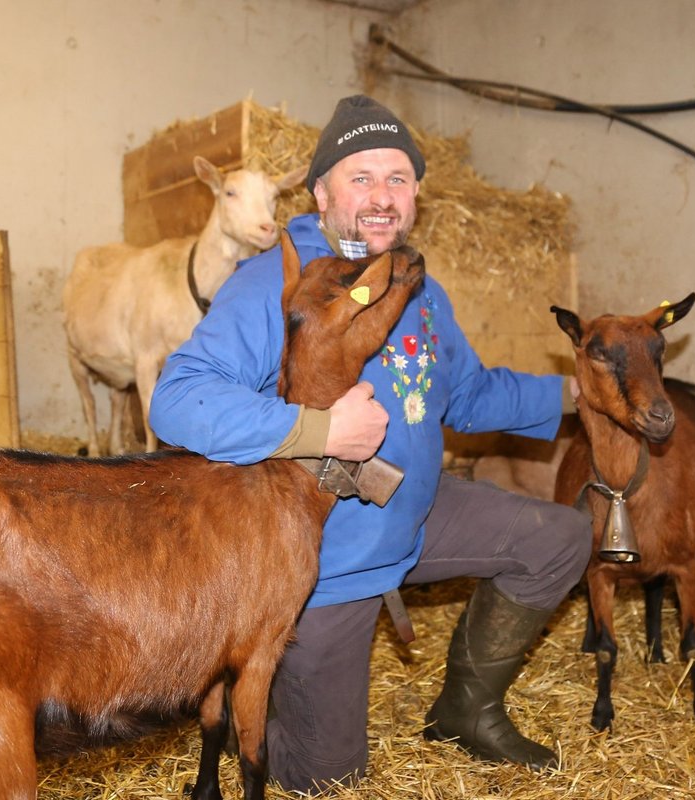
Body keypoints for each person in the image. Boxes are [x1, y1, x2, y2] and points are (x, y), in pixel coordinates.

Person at [149, 95, 592, 794]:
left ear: (417, 194)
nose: (381, 197)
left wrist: (582, 395)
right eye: (360, 178)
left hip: (409, 516)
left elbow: (470, 395)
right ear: (322, 192)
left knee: (559, 537)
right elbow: (176, 400)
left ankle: (465, 711)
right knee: (331, 781)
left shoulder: (417, 287)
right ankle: (252, 693)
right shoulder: (278, 283)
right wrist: (317, 431)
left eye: (397, 179)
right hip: (320, 568)